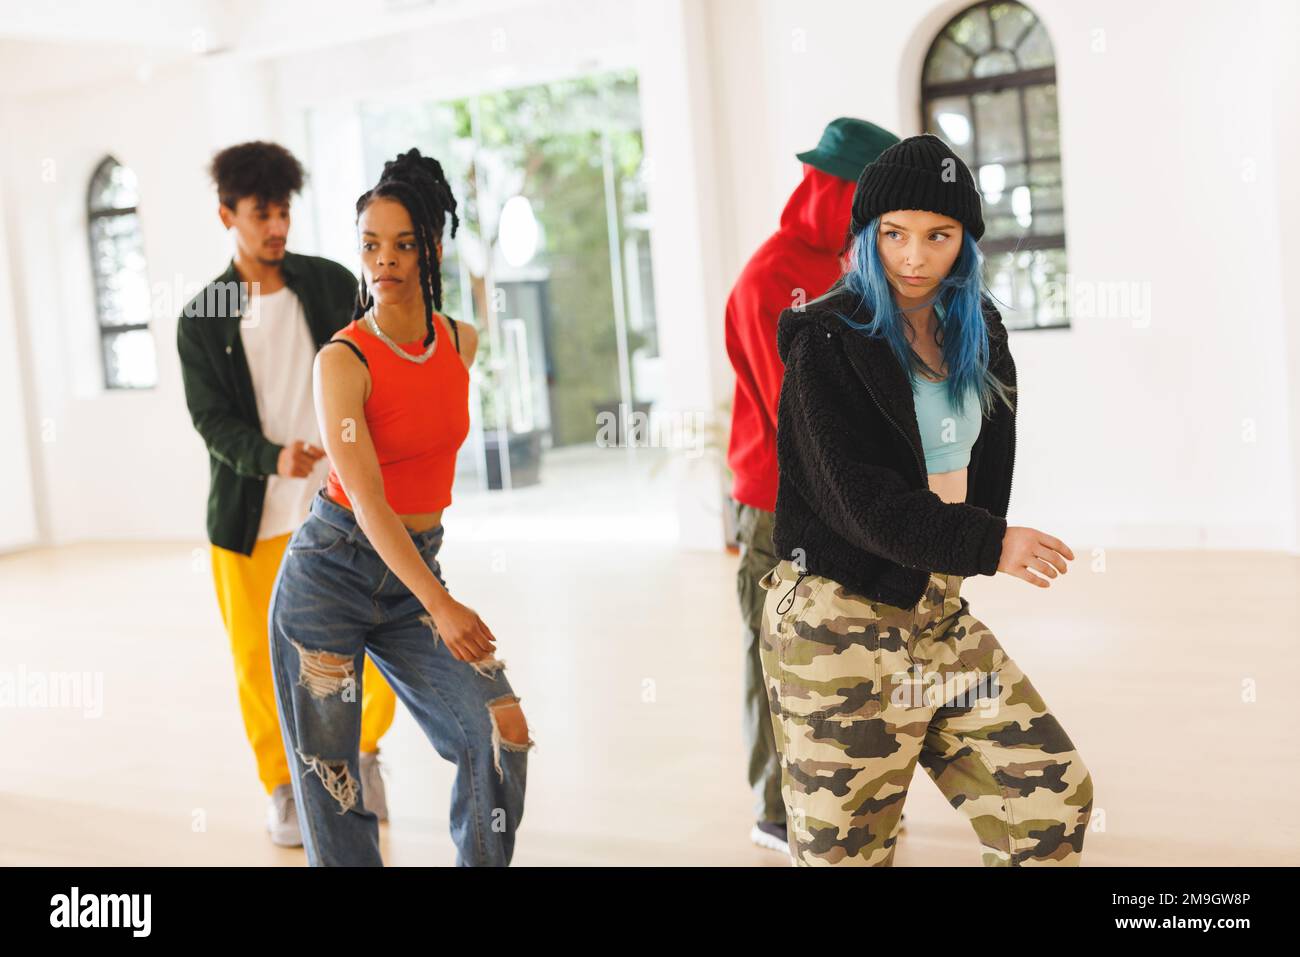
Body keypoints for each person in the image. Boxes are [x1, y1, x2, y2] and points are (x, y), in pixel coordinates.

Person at [760, 133, 1094, 866]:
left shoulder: (980, 333)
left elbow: (985, 461)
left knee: (1049, 798)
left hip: (934, 606)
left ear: (965, 243)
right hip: (834, 620)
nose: (914, 257)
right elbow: (860, 501)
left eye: (938, 236)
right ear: (867, 236)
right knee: (848, 854)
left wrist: (967, 553)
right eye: (894, 235)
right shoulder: (826, 339)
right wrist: (989, 543)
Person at [268, 148, 533, 867]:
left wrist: (430, 596)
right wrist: (442, 605)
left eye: (402, 243)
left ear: (430, 249)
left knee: (499, 730)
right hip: (331, 573)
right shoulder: (342, 361)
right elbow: (369, 499)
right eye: (370, 245)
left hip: (412, 574)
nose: (384, 260)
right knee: (335, 781)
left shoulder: (458, 341)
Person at [177, 141, 398, 848]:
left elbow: (378, 363)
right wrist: (273, 456)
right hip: (252, 517)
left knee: (371, 637)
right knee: (259, 656)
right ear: (226, 216)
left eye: (283, 211)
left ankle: (358, 756)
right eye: (260, 213)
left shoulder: (330, 282)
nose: (276, 226)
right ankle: (282, 787)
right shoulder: (203, 315)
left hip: (340, 505)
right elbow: (211, 419)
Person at [724, 117, 900, 853]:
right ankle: (777, 810)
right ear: (836, 190)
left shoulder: (853, 265)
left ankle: (845, 796)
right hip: (780, 502)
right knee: (778, 655)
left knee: (847, 653)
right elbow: (795, 414)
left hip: (848, 495)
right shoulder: (773, 276)